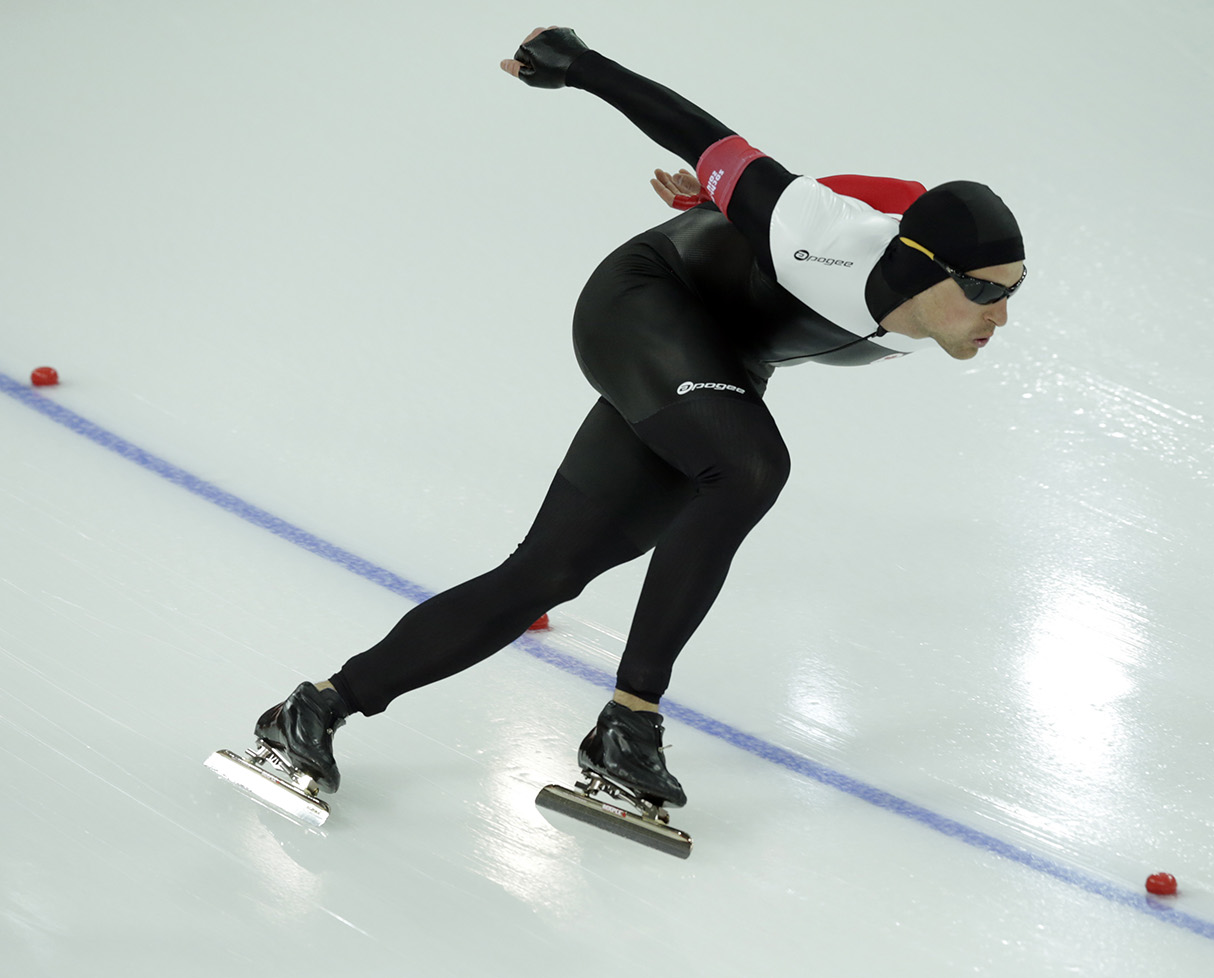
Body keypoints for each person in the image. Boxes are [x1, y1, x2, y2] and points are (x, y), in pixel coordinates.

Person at [251, 27, 1025, 813]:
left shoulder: (931, 272)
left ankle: (315, 708)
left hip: (720, 362)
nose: (999, 314)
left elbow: (886, 196)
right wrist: (577, 66)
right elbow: (704, 136)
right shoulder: (818, 233)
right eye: (986, 292)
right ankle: (631, 720)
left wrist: (723, 204)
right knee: (749, 468)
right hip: (647, 300)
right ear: (924, 265)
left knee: (548, 572)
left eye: (1013, 290)